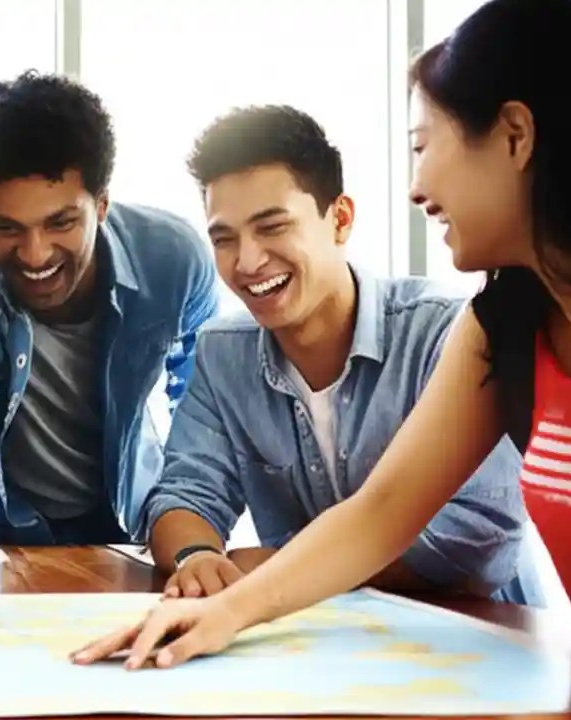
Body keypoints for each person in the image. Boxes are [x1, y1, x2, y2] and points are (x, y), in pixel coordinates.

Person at [73, 0, 571, 670]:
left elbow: (465, 540)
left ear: (515, 136)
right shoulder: (501, 326)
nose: (416, 187)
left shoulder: (439, 325)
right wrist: (220, 611)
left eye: (423, 147)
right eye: (226, 237)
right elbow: (382, 511)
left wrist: (255, 571)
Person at [144, 104, 539, 606]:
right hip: (318, 650)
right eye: (224, 238)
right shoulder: (223, 354)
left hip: (481, 644)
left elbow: (474, 542)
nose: (246, 261)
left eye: (272, 227)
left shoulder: (447, 333)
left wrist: (278, 569)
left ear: (340, 219)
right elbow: (182, 494)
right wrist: (197, 558)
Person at [0, 71, 219, 628]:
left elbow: (204, 403)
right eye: (7, 227)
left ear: (103, 203)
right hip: (4, 535)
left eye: (61, 221)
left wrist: (192, 534)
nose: (35, 252)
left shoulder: (174, 259)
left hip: (130, 527)